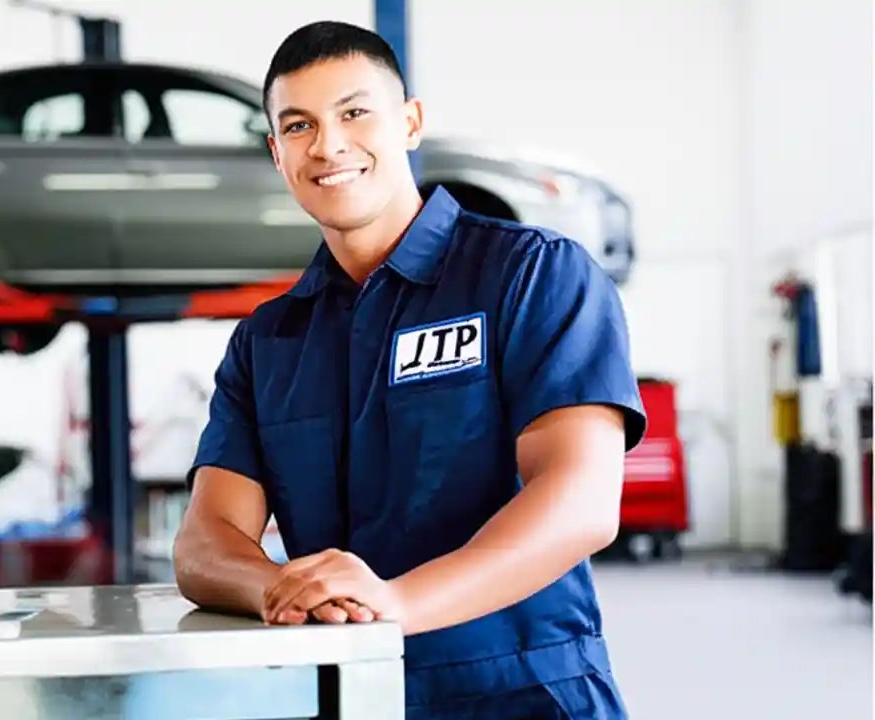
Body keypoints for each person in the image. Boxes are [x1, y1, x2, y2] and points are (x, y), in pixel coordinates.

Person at [171, 19, 647, 720]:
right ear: (277, 152)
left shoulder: (530, 275)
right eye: (299, 126)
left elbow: (581, 503)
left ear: (410, 123)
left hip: (523, 694)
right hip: (352, 693)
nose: (327, 145)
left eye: (354, 113)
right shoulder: (269, 341)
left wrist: (394, 605)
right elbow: (203, 544)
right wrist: (279, 589)